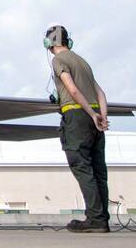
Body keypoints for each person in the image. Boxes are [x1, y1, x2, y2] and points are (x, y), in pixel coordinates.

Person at [45, 24, 110, 233]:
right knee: (98, 170)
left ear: (49, 43)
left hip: (77, 116)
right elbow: (101, 93)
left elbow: (71, 89)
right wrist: (101, 117)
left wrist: (91, 115)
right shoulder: (83, 62)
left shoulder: (59, 60)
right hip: (94, 118)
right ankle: (103, 218)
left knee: (82, 167)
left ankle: (95, 218)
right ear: (68, 41)